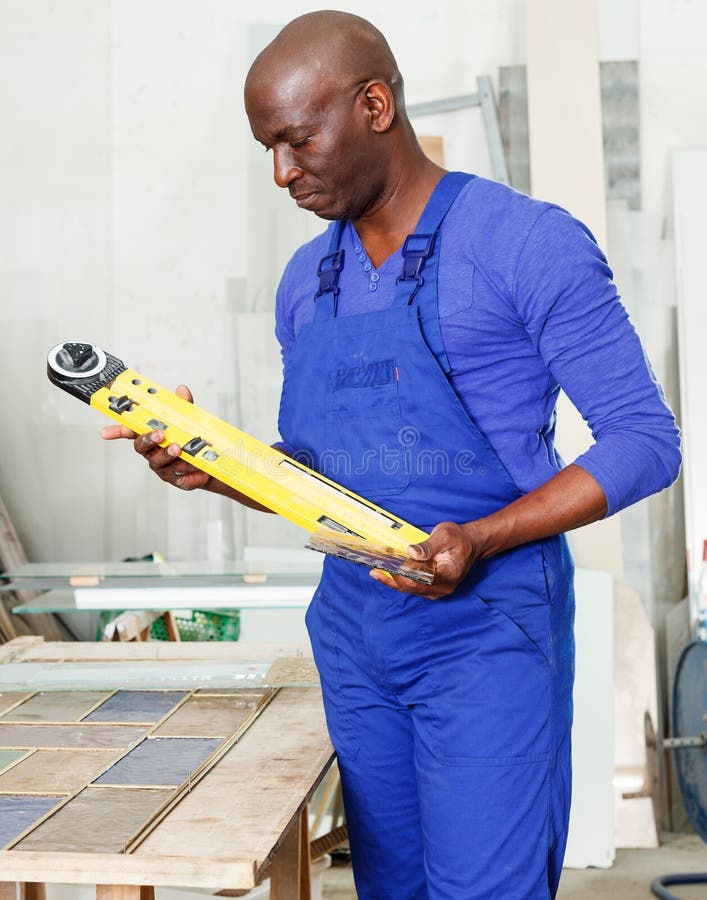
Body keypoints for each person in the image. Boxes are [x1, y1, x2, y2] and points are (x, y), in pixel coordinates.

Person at [102, 11, 681, 899]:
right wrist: (213, 461)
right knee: (390, 887)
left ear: (374, 103)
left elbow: (646, 442)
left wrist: (481, 539)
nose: (281, 173)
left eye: (297, 140)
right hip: (354, 632)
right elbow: (316, 474)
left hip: (485, 633)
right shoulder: (306, 283)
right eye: (266, 148)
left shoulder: (525, 244)